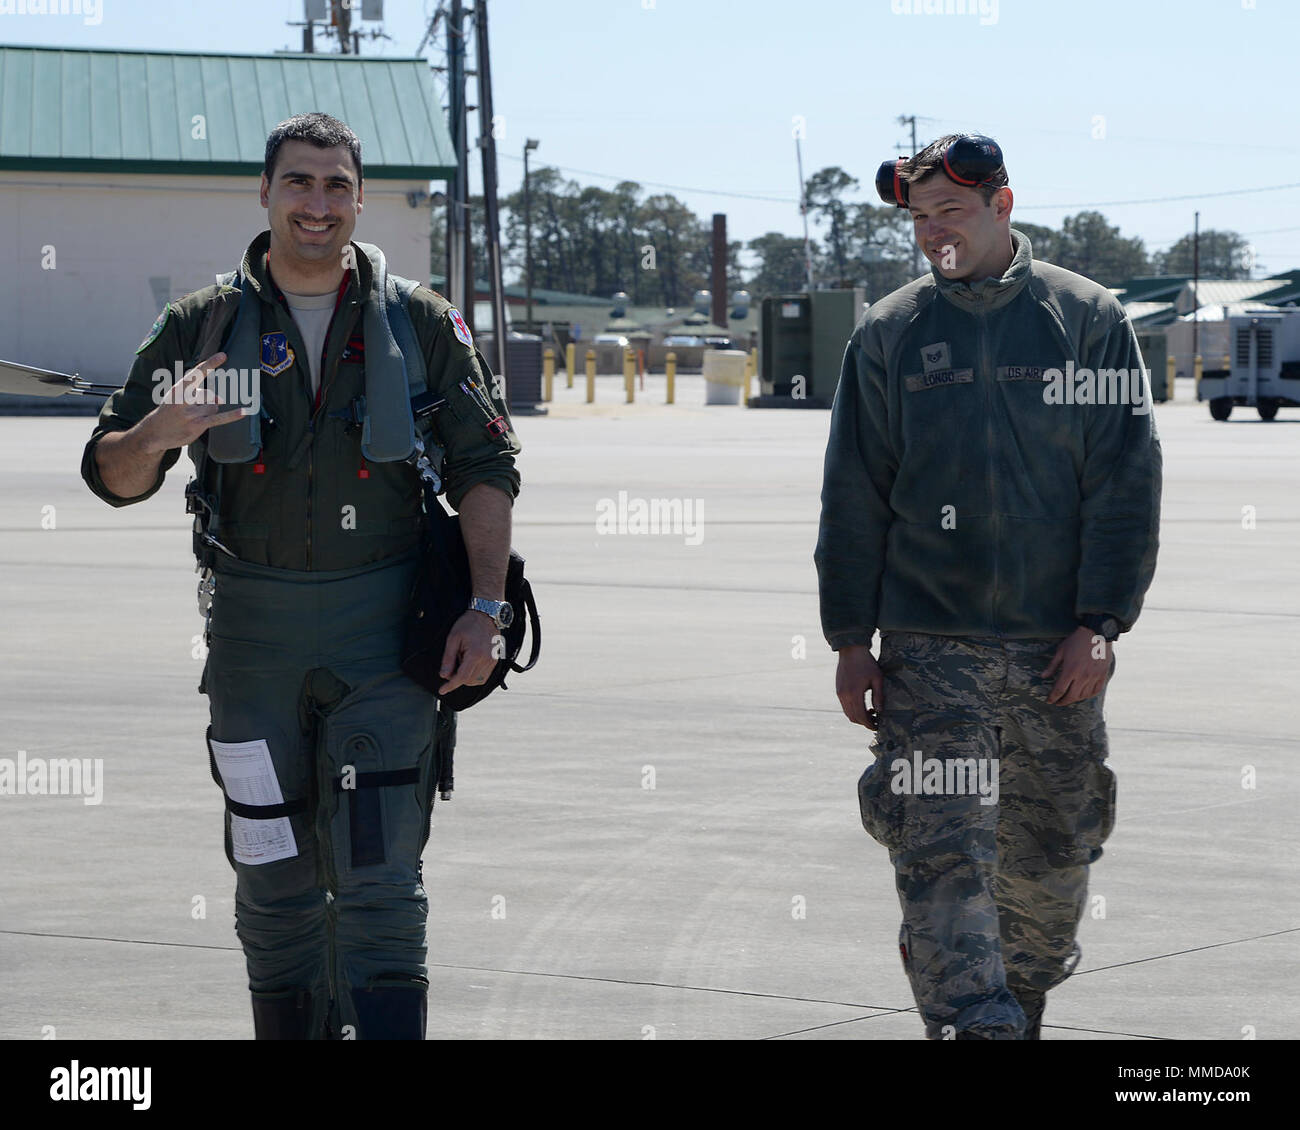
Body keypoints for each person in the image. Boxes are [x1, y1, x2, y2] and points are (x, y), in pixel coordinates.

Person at [80, 112, 521, 1040]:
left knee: (381, 878)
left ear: (359, 200)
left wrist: (485, 607)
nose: (317, 205)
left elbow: (487, 467)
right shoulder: (200, 325)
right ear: (267, 192)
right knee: (271, 872)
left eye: (336, 186)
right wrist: (161, 430)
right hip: (253, 640)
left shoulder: (421, 323)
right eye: (298, 183)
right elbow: (113, 475)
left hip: (385, 633)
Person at [814, 134, 1161, 1040]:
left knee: (1050, 873)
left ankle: (1013, 1006)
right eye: (920, 219)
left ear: (1003, 206)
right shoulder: (890, 334)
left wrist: (1101, 622)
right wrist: (853, 638)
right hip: (931, 655)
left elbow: (1125, 480)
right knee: (944, 864)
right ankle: (973, 1022)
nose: (934, 234)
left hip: (1057, 655)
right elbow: (855, 494)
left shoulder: (1086, 321)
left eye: (951, 213)